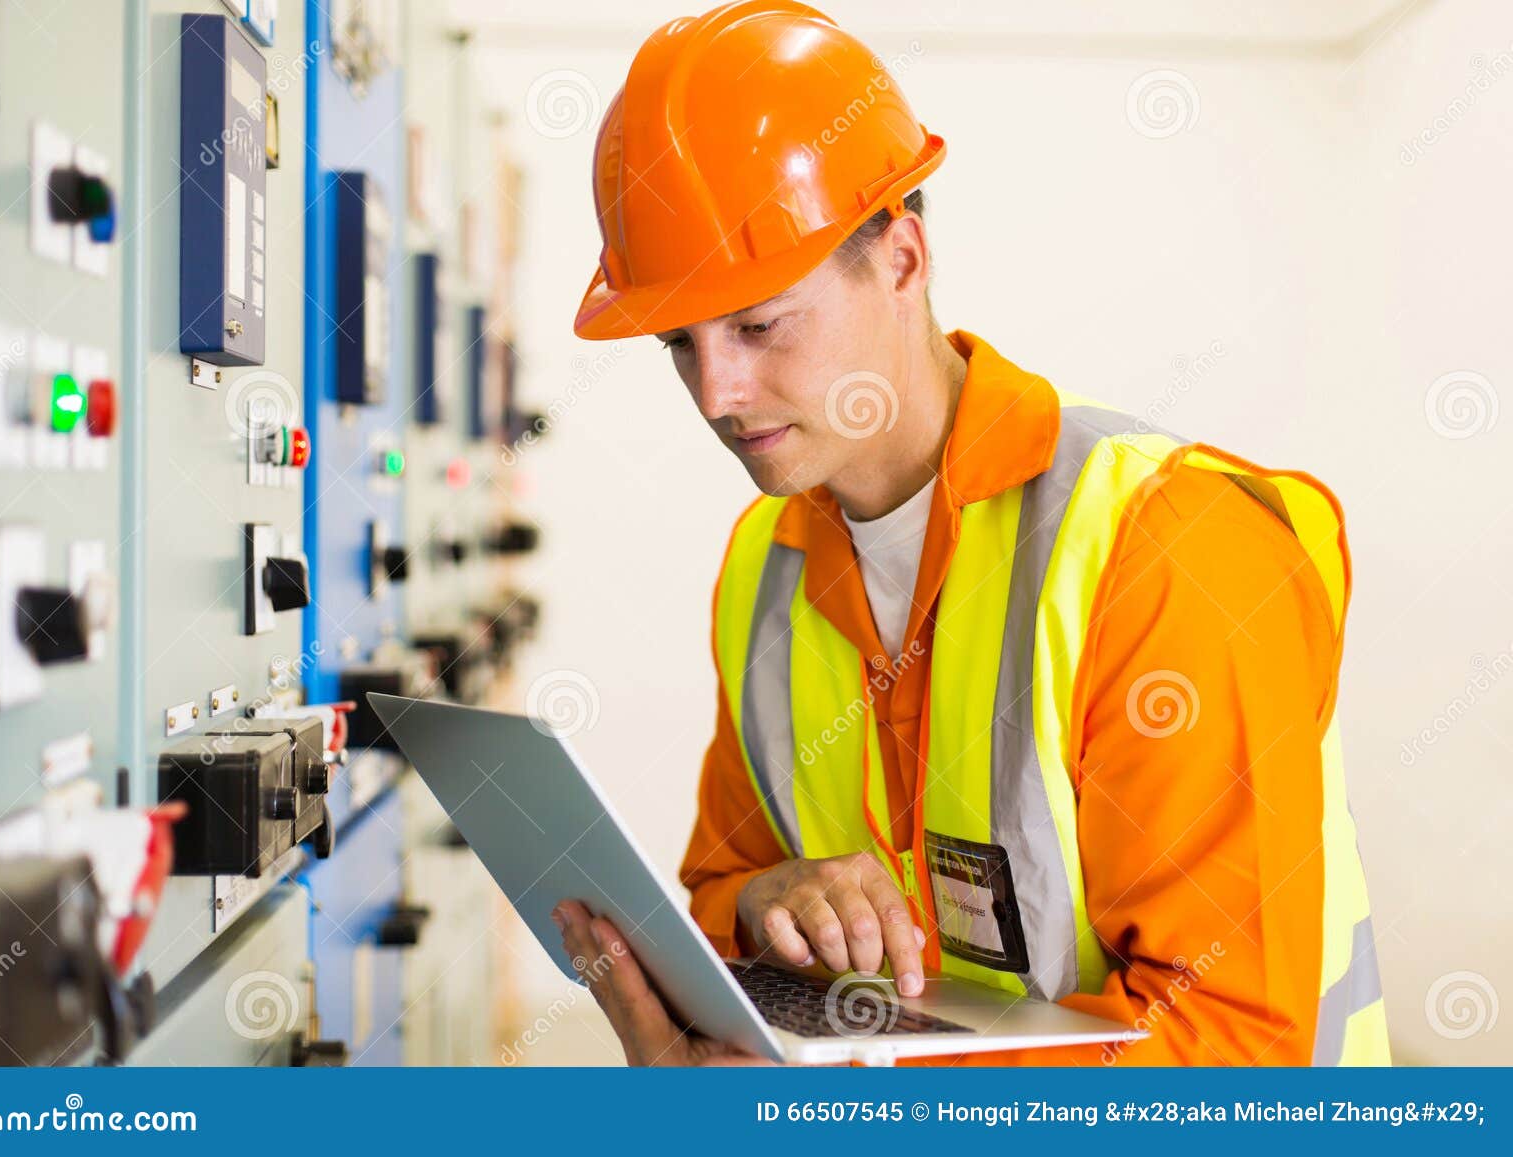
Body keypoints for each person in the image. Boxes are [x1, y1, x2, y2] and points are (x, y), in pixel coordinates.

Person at [554, 0, 1389, 1066]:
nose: (717, 390)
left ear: (901, 259)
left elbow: (1229, 1052)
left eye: (760, 323)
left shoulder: (1166, 545)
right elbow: (722, 894)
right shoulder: (765, 564)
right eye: (680, 342)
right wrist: (776, 900)